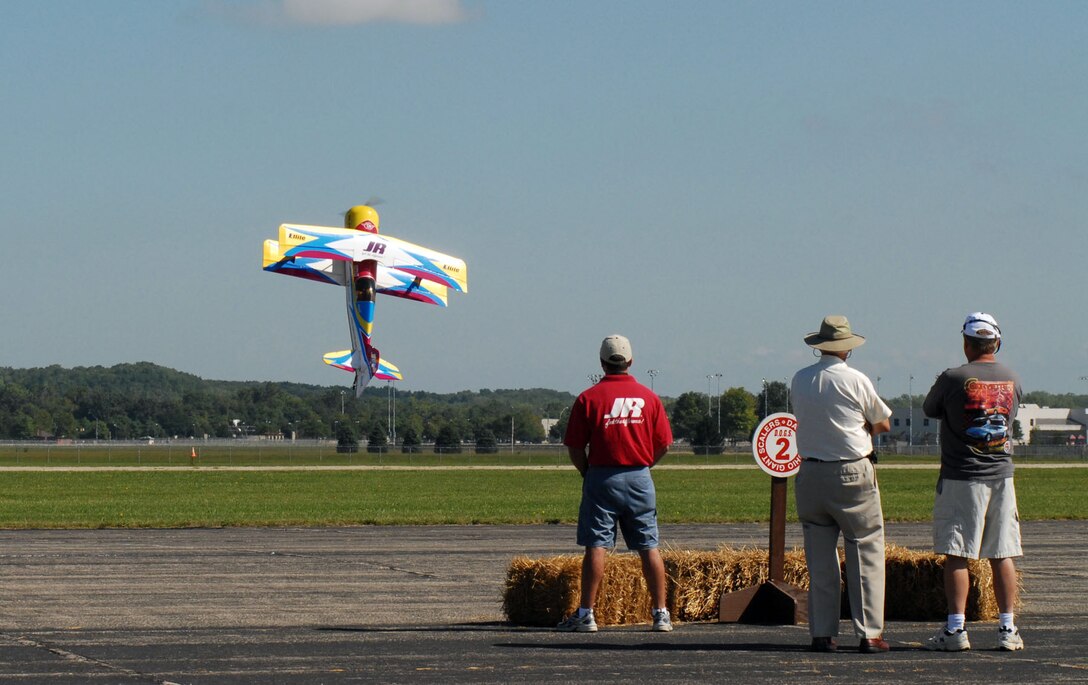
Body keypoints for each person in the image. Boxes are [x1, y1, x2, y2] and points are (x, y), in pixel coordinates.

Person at [557, 334, 674, 633]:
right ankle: (661, 613)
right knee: (649, 545)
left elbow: (573, 446)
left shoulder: (588, 397)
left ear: (601, 362)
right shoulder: (649, 397)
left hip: (601, 475)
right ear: (631, 362)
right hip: (639, 475)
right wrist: (645, 464)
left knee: (597, 545)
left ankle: (586, 614)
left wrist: (587, 473)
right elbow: (665, 444)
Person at [922, 312, 1024, 652]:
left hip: (961, 475)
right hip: (1001, 475)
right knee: (1003, 553)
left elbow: (930, 408)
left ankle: (956, 629)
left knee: (957, 553)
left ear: (966, 344)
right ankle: (1008, 628)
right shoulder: (1012, 378)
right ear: (996, 342)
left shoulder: (953, 377)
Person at [790, 315, 892, 653]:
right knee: (865, 550)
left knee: (819, 559)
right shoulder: (856, 379)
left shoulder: (800, 379)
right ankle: (869, 634)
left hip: (810, 473)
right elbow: (883, 423)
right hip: (851, 471)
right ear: (847, 348)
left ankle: (822, 633)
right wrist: (865, 429)